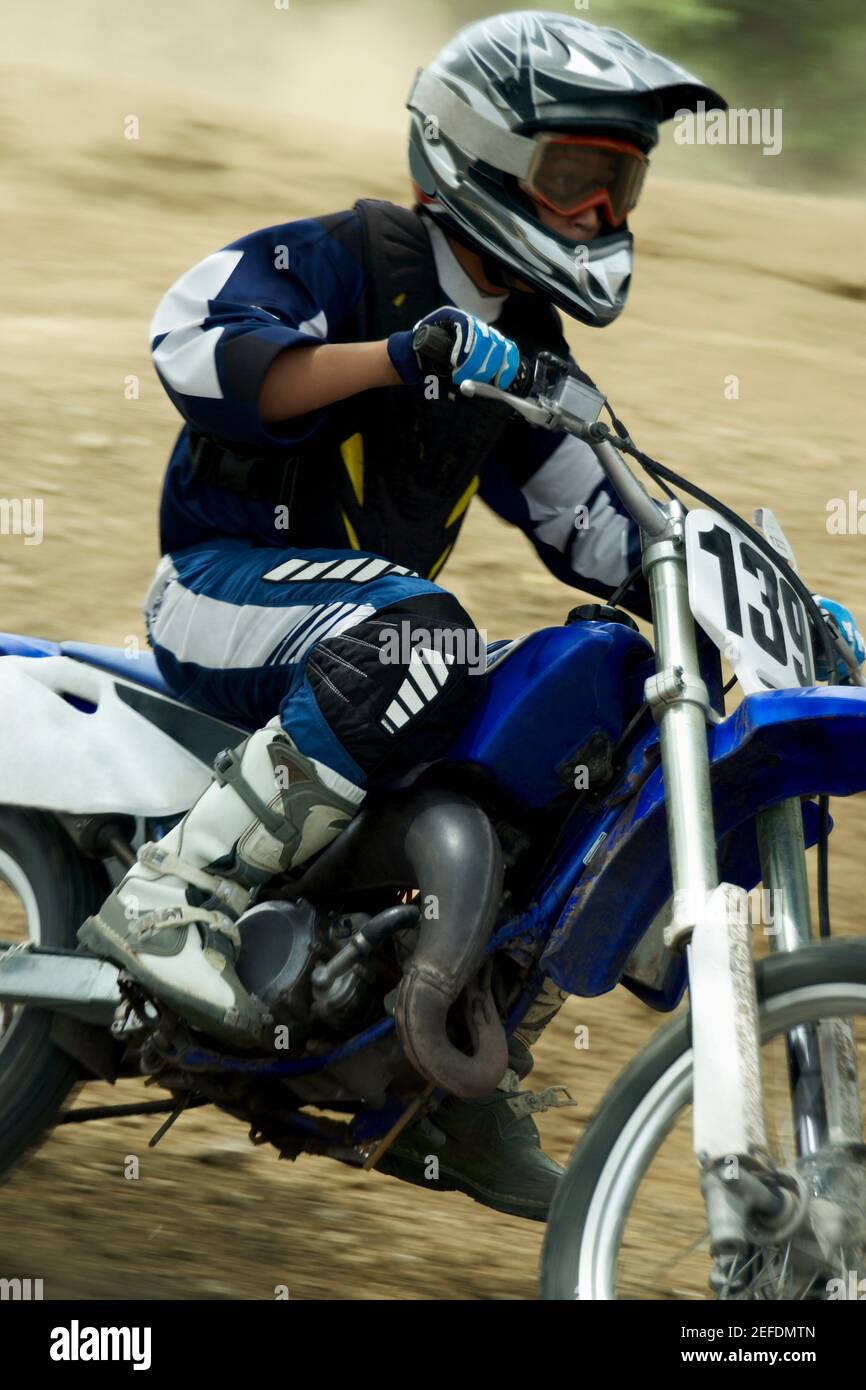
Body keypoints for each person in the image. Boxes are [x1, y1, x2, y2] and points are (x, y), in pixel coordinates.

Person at [78, 11, 862, 1220]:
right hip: (222, 589)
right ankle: (175, 894)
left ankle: (451, 1062)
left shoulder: (525, 348)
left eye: (620, 184)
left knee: (587, 697)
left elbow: (598, 526)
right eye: (573, 179)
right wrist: (403, 356)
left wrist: (767, 600)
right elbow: (192, 344)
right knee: (426, 630)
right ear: (475, 153)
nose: (601, 214)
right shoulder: (349, 254)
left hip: (358, 631)